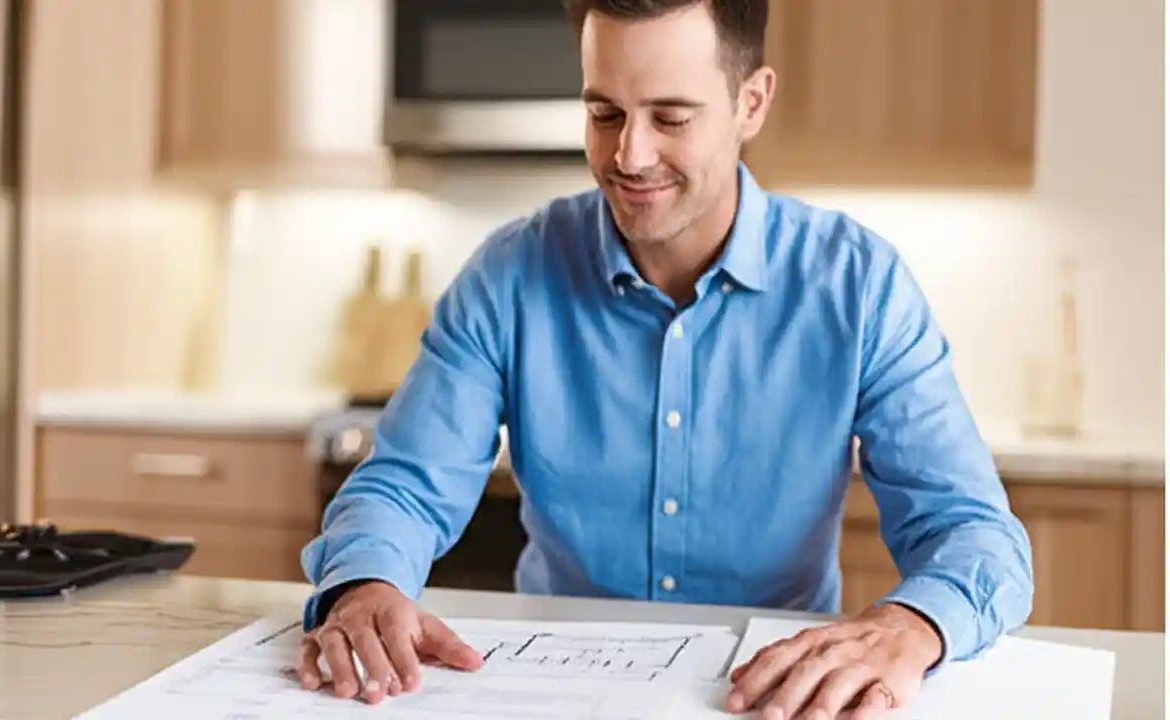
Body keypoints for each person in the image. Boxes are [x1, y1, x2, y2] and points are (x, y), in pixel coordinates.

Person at [295, 1, 1034, 717]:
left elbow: (973, 531)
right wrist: (364, 584)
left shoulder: (857, 286)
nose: (629, 156)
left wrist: (911, 627)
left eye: (671, 118)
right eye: (604, 113)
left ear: (752, 102)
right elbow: (404, 486)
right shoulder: (510, 275)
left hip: (768, 699)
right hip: (552, 693)